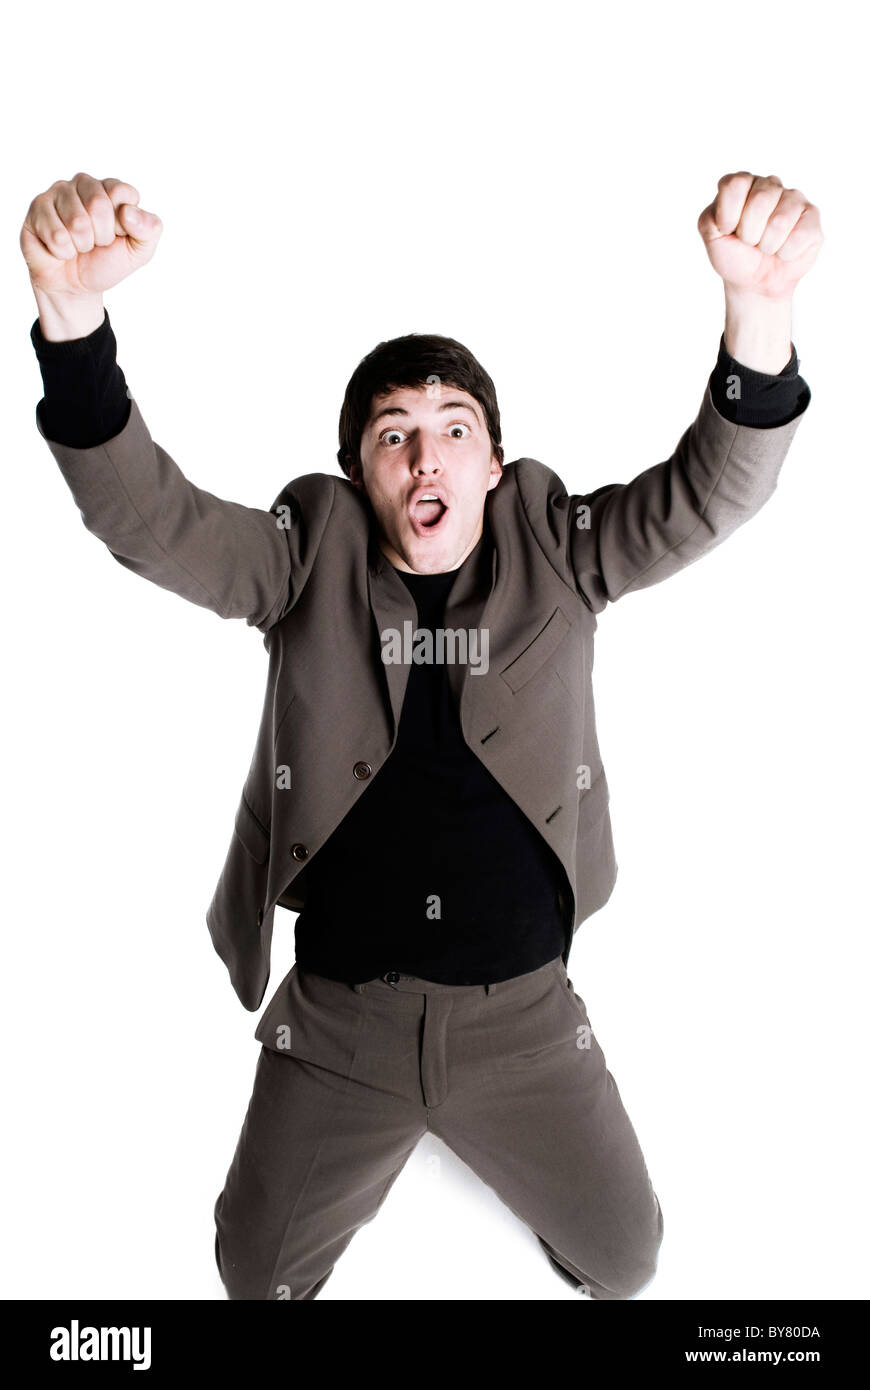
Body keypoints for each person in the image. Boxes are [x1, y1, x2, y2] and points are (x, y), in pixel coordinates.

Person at [21, 171, 820, 1300]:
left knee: (628, 1263)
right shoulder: (307, 554)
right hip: (342, 1020)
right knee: (254, 1277)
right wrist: (71, 322)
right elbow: (149, 518)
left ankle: (502, 1156)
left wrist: (761, 317)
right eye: (395, 436)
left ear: (495, 464)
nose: (427, 457)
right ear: (360, 474)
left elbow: (708, 495)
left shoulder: (561, 546)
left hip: (525, 1020)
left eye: (455, 431)